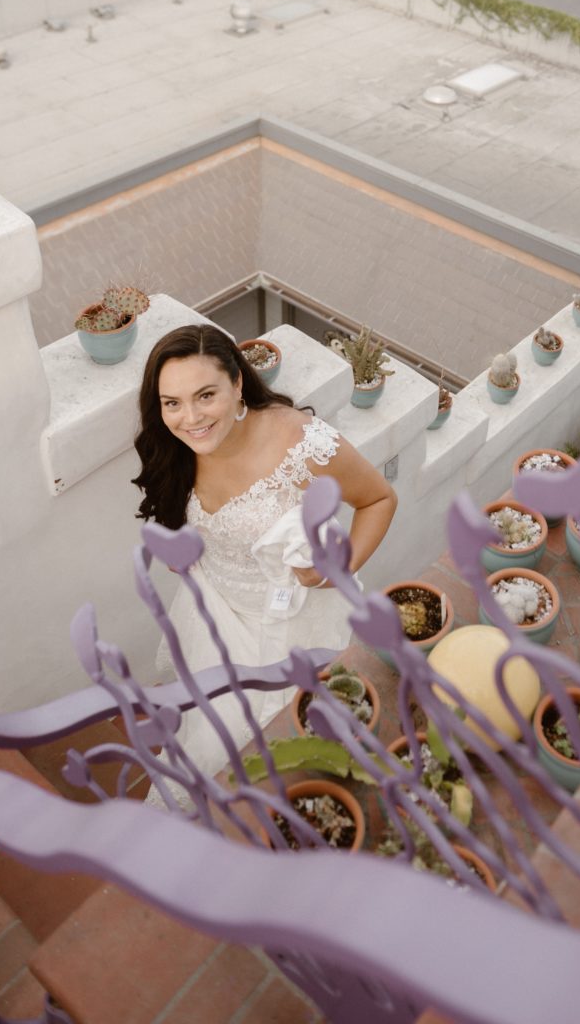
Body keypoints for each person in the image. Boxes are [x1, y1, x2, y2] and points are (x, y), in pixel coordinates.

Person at [132, 324, 397, 784]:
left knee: (286, 739)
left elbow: (378, 499)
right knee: (217, 737)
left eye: (205, 395)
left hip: (295, 622)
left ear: (237, 384)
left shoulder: (300, 443)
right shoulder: (177, 448)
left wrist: (340, 566)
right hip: (216, 611)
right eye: (172, 403)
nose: (190, 418)